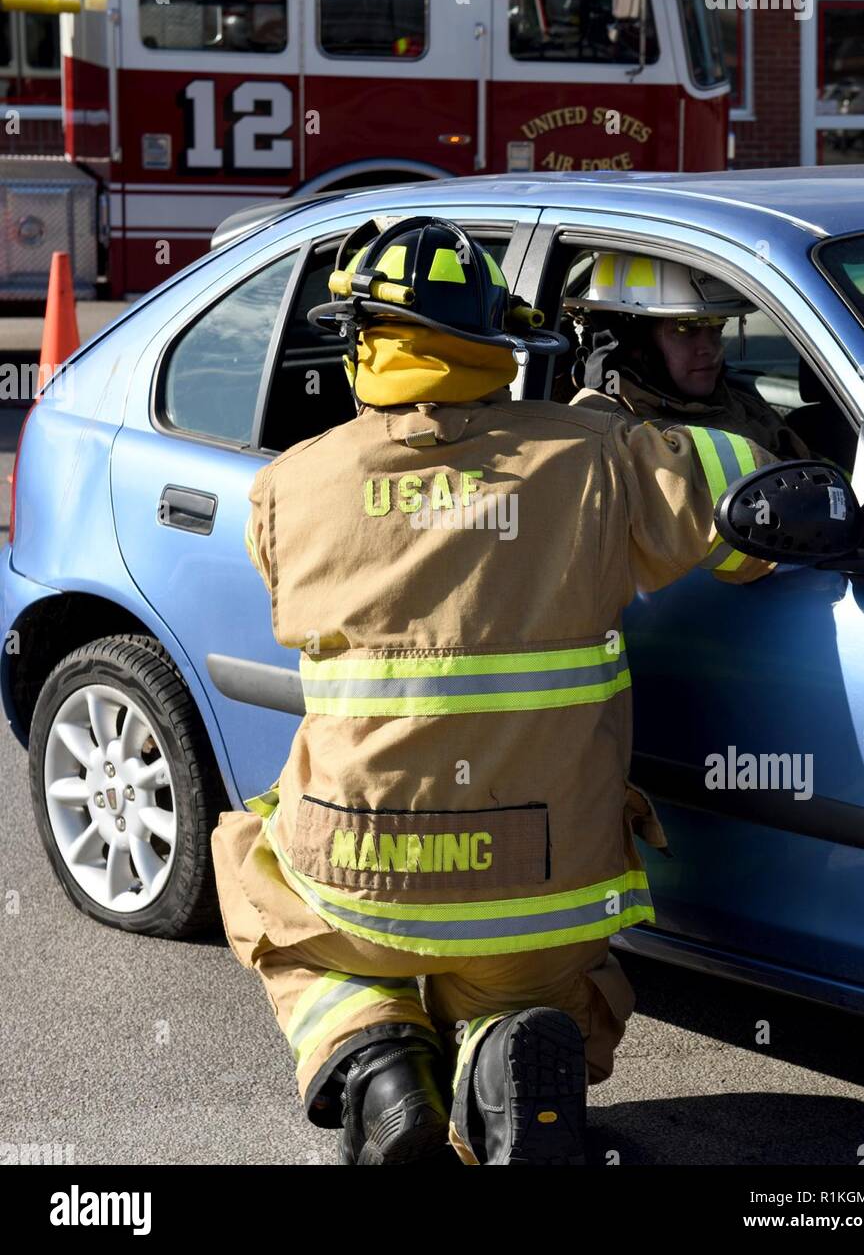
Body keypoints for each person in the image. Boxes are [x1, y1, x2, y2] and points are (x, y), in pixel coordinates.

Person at [210, 216, 779, 1167]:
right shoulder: (604, 457)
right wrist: (627, 432)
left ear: (363, 344)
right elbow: (752, 515)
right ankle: (503, 1048)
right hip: (542, 885)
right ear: (496, 341)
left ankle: (377, 1053)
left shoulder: (287, 487)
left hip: (359, 880)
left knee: (251, 853)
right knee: (530, 995)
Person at [568, 251, 813, 459]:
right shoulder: (607, 436)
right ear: (636, 345)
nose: (710, 349)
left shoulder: (744, 407)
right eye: (685, 329)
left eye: (716, 327)